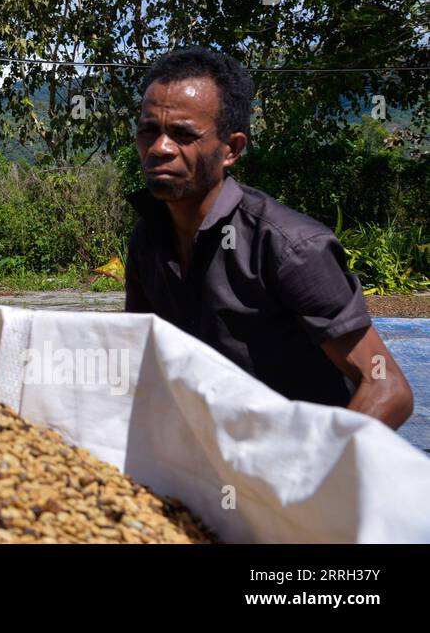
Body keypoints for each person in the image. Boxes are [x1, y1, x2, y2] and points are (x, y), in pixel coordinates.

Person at [124, 47, 413, 428]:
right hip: (211, 459)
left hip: (296, 464)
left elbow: (387, 387)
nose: (160, 148)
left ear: (232, 149)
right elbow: (142, 357)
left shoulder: (289, 247)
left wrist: (308, 474)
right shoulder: (149, 236)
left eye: (183, 134)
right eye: (149, 130)